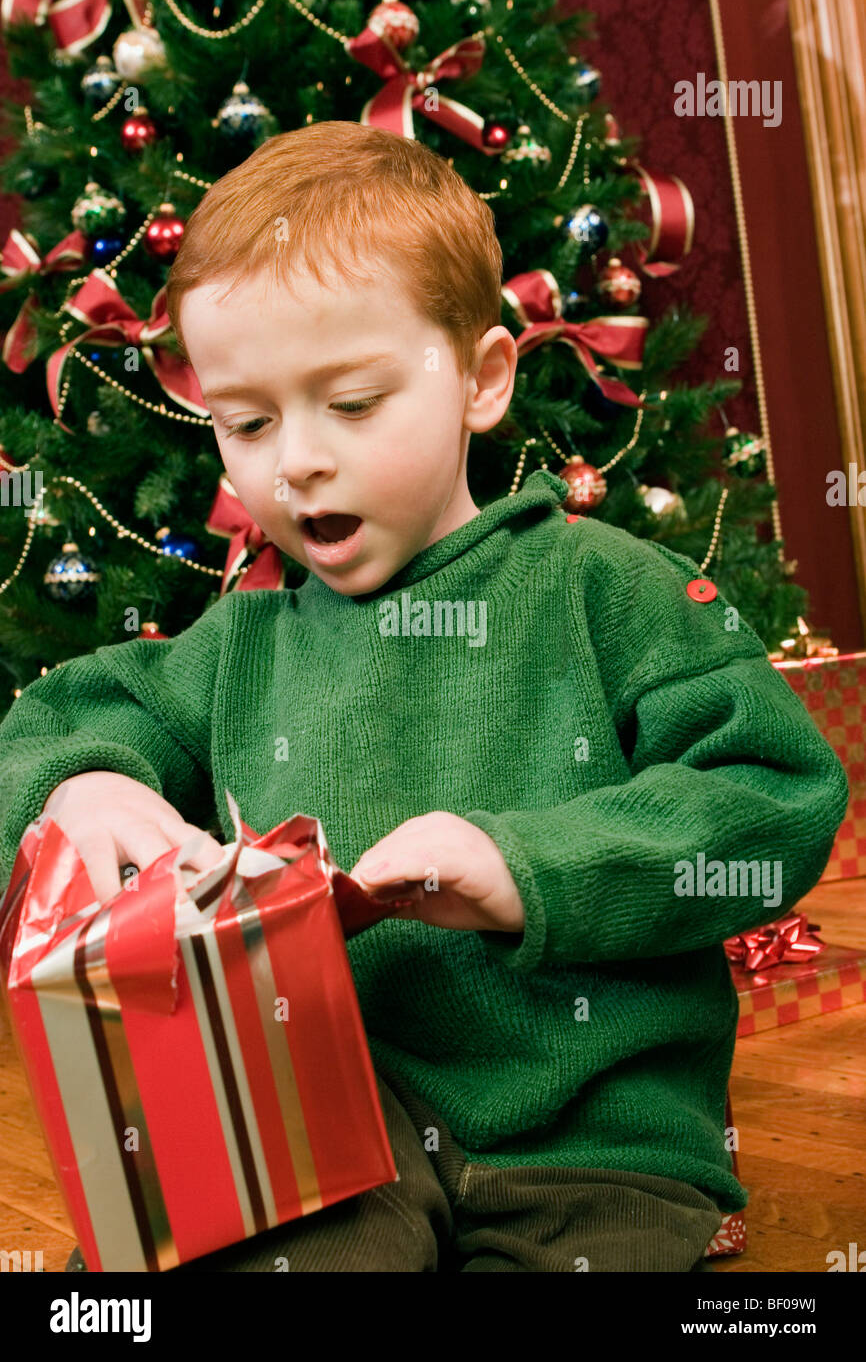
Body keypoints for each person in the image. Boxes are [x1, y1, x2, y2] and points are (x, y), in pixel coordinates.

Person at [0, 122, 848, 1273]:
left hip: (590, 1143)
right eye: (247, 423)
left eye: (351, 404)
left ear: (482, 379)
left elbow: (771, 798)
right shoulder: (240, 641)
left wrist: (532, 867)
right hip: (332, 1137)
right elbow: (50, 719)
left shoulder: (605, 587)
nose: (294, 459)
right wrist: (82, 784)